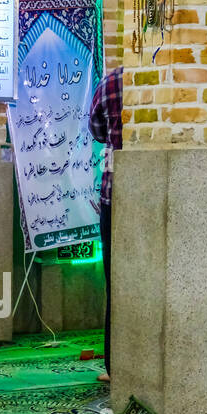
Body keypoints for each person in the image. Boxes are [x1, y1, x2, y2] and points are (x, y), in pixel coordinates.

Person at [88, 66, 123, 385]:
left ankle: (116, 366)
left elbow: (96, 129)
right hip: (151, 194)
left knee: (115, 280)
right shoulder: (163, 78)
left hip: (114, 195)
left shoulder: (112, 80)